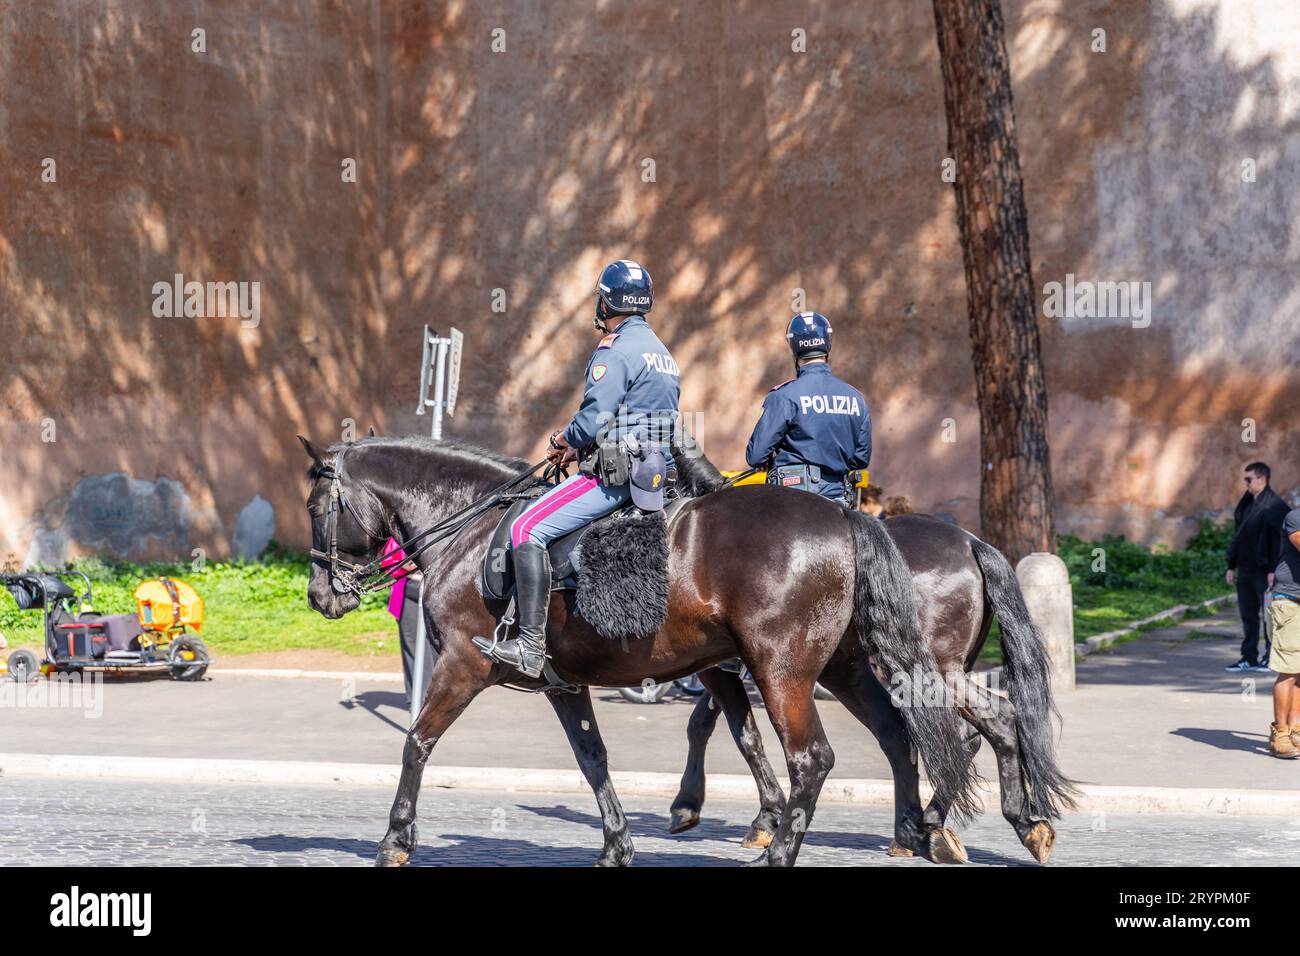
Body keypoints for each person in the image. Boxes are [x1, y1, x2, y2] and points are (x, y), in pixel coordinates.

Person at [481, 259, 679, 678]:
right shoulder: (662, 353)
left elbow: (595, 417)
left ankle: (531, 646)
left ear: (607, 303)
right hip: (654, 476)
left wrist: (564, 442)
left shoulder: (616, 349)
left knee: (525, 529)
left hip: (615, 477)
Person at [745, 311, 872, 506]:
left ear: (794, 347)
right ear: (827, 343)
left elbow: (755, 456)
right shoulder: (856, 398)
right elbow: (861, 459)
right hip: (839, 500)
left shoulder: (783, 396)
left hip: (791, 501)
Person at [1225, 462, 1289, 672]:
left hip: (1266, 572)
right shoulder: (1246, 503)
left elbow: (1281, 540)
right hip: (1245, 569)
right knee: (1248, 615)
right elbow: (1239, 536)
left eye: (1249, 479)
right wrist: (1231, 565)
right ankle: (1248, 656)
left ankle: (1270, 657)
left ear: (1262, 479)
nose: (1246, 483)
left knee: (1269, 616)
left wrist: (1274, 569)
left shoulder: (1275, 505)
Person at [1265, 505, 1300, 758]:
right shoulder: (1295, 517)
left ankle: (1296, 728)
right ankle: (1281, 731)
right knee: (1288, 670)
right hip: (1290, 601)